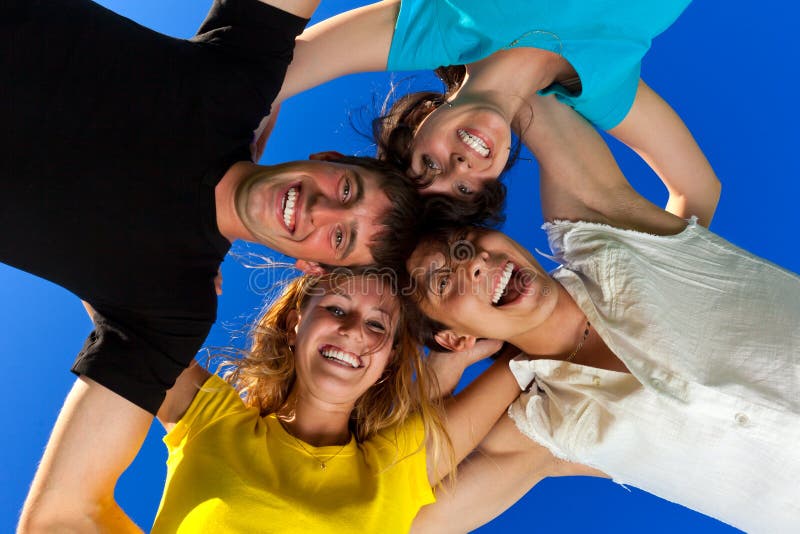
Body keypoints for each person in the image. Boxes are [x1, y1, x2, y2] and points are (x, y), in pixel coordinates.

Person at [3, 0, 421, 528]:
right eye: (345, 189)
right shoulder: (242, 76)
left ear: (313, 269)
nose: (320, 210)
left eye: (341, 237)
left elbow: (61, 520)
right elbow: (414, 23)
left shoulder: (170, 309)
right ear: (328, 160)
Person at [404, 93, 800, 532]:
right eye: (442, 282)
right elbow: (399, 516)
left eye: (464, 243)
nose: (473, 262)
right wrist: (446, 373)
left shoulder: (606, 238)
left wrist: (445, 132)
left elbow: (518, 85)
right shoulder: (546, 429)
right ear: (454, 336)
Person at [38, 272, 530, 532]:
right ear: (296, 322)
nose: (356, 331)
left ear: (388, 360)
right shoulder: (211, 418)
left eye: (379, 325)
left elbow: (527, 358)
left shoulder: (395, 465)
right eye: (336, 309)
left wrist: (480, 340)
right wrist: (177, 284)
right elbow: (125, 312)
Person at [272, 0, 712, 225]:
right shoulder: (603, 87)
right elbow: (698, 191)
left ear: (423, 116)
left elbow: (270, 71)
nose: (459, 163)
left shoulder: (441, 24)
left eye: (429, 164)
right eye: (463, 187)